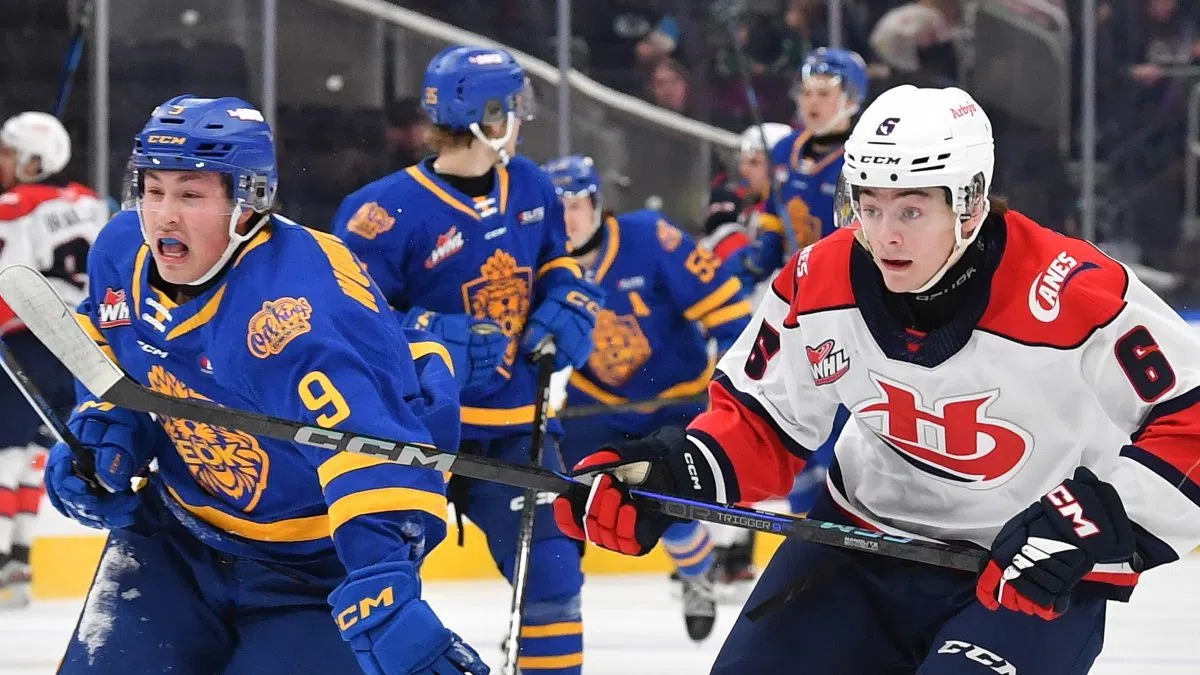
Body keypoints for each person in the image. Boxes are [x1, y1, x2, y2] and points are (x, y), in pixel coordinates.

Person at [554, 84, 1200, 674]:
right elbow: (762, 421)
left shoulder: (1069, 292)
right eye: (869, 206)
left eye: (912, 211)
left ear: (969, 203)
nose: (884, 235)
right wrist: (672, 475)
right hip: (861, 544)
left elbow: (1191, 421)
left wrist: (1091, 519)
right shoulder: (819, 278)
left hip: (1021, 571)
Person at [47, 95, 486, 675]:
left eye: (190, 194)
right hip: (176, 544)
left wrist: (384, 586)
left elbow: (368, 451)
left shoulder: (297, 311)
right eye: (153, 190)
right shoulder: (120, 249)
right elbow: (106, 346)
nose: (163, 216)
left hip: (312, 571)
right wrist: (108, 425)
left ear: (247, 203)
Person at [333, 46, 602, 675]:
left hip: (513, 430)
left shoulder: (532, 184)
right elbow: (348, 325)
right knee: (380, 595)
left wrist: (567, 298)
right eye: (513, 108)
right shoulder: (379, 215)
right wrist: (435, 338)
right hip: (413, 434)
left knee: (554, 576)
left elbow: (556, 260)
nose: (522, 120)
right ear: (487, 115)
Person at [543, 154, 752, 641]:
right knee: (566, 502)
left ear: (597, 204)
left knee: (672, 515)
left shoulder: (650, 238)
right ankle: (548, 605)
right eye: (556, 209)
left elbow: (731, 312)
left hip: (676, 399)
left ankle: (695, 573)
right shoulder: (542, 259)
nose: (566, 219)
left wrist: (730, 390)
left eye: (575, 204)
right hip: (594, 402)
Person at [0, 111, 108, 609]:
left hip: (27, 342)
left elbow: (9, 284)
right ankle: (18, 558)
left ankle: (5, 560)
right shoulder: (91, 202)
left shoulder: (15, 206)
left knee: (4, 454)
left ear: (35, 161)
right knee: (31, 456)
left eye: (9, 153)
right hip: (77, 346)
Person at [727, 46, 868, 290]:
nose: (812, 101)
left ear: (852, 99)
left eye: (824, 93)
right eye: (806, 92)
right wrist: (748, 270)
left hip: (844, 289)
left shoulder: (865, 158)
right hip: (792, 285)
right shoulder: (784, 149)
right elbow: (773, 222)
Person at [702, 122, 794, 262]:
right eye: (743, 161)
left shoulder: (792, 216)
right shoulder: (734, 200)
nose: (743, 170)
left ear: (781, 169)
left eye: (754, 162)